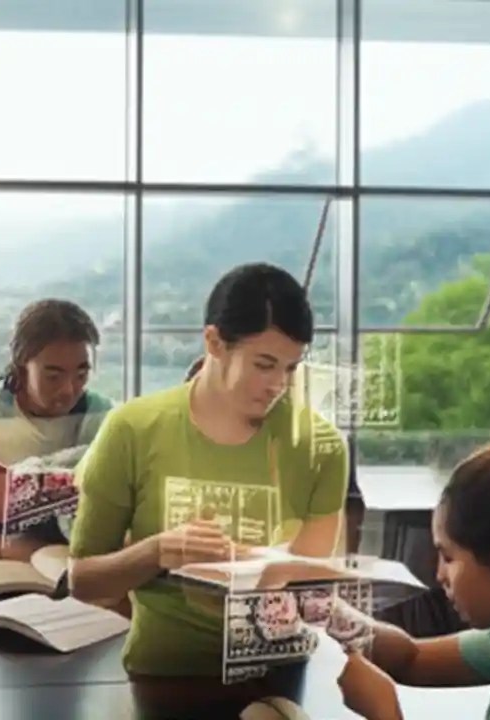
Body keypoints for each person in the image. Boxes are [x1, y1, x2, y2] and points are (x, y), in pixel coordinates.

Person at [68, 262, 349, 716]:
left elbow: (314, 585)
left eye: (291, 368)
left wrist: (265, 570)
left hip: (279, 680)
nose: (278, 384)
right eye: (263, 364)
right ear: (214, 343)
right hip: (163, 680)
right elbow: (83, 580)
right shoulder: (134, 429)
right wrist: (157, 551)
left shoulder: (320, 447)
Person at [336, 440, 490, 720]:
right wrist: (332, 617)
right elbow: (412, 659)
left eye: (448, 557)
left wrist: (383, 711)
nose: (439, 575)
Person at [0, 298, 116, 535]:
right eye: (53, 376)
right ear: (21, 364)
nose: (69, 390)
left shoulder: (102, 416)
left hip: (71, 555)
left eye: (81, 374)